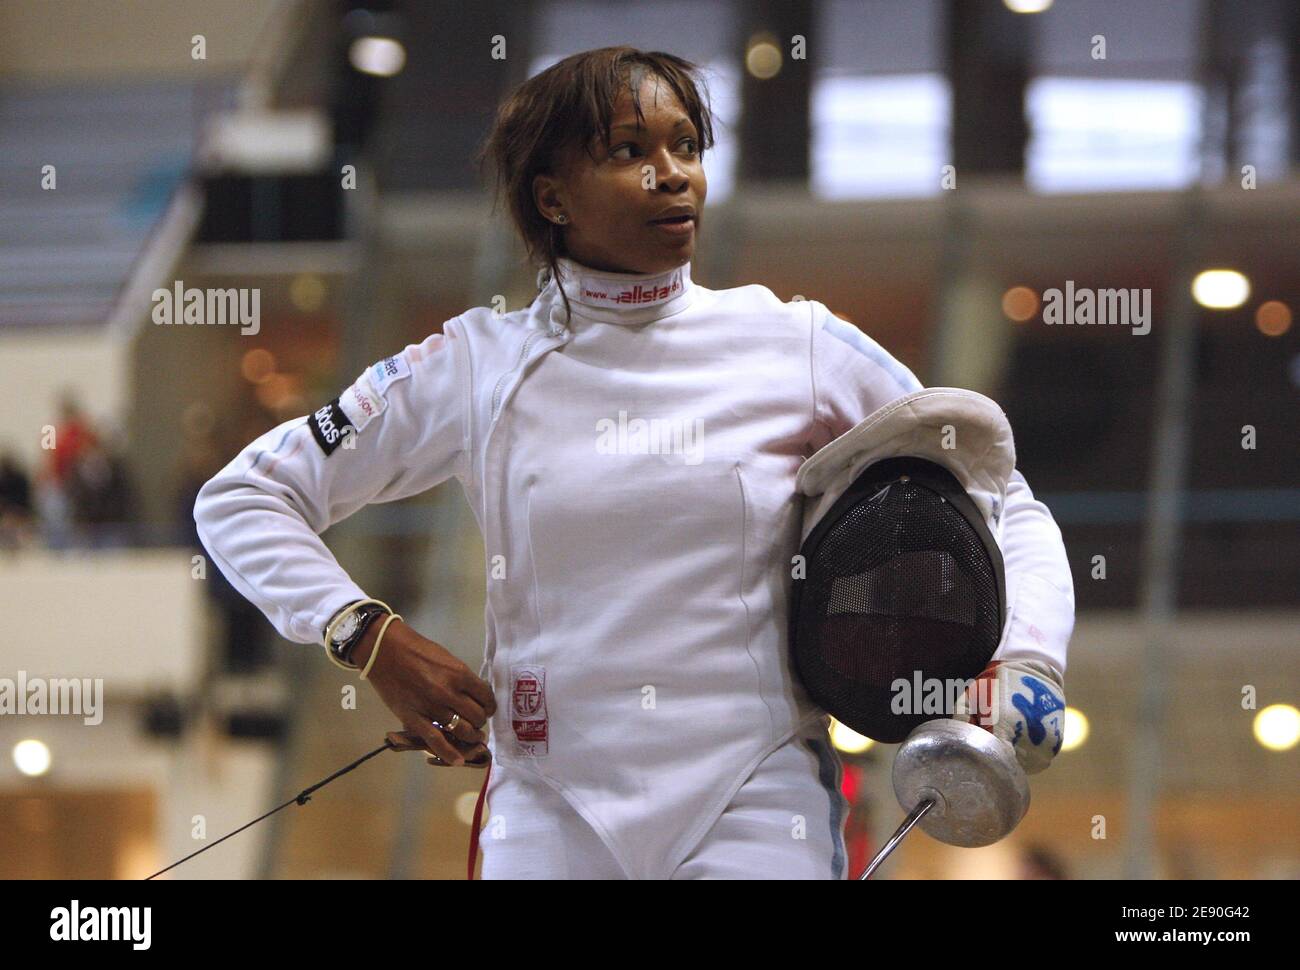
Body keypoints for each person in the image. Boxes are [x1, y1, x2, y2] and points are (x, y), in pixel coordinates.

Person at [194, 47, 1074, 880]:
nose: (672, 173)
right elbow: (243, 497)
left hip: (757, 796)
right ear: (552, 197)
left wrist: (1029, 659)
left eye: (686, 146)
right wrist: (366, 634)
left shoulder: (792, 343)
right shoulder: (476, 366)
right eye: (628, 150)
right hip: (549, 803)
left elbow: (1003, 500)